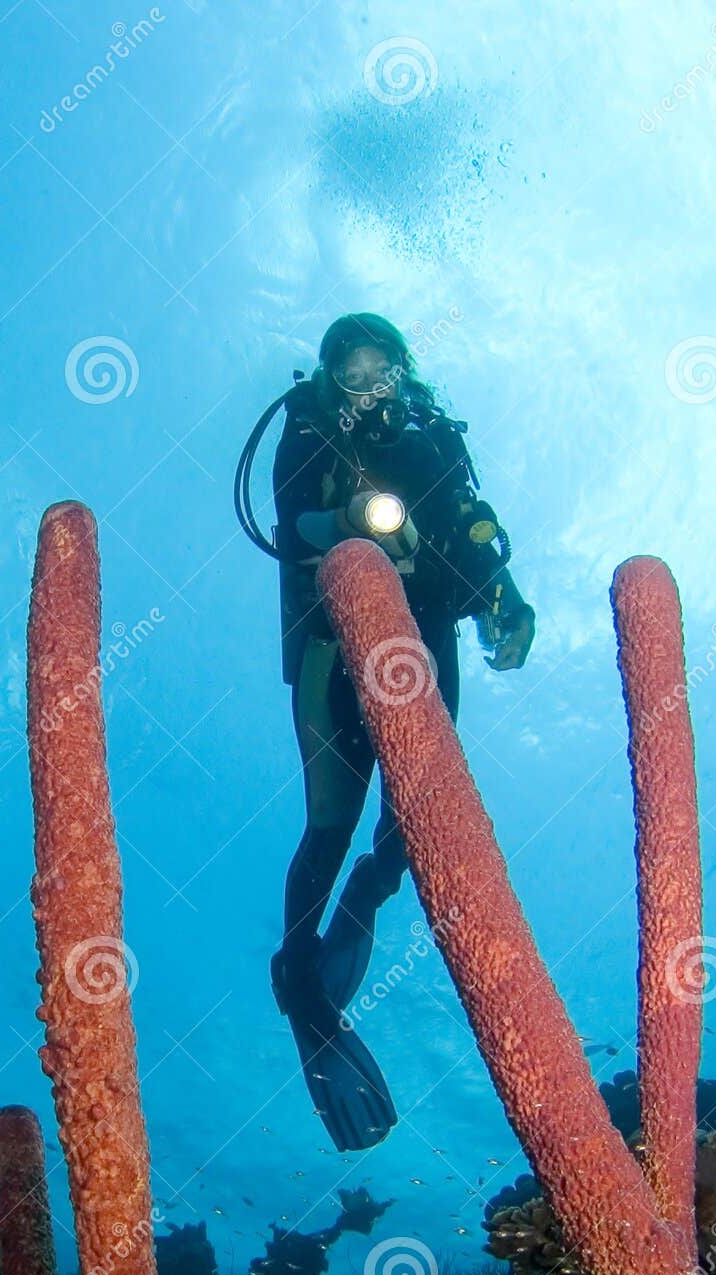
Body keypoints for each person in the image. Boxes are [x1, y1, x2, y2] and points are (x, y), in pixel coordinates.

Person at [234, 313, 534, 1150]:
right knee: (330, 826)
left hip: (426, 642)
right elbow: (289, 524)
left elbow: (473, 532)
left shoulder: (435, 438)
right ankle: (298, 976)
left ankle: (366, 899)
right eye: (354, 375)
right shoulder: (309, 426)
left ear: (405, 372)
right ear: (333, 379)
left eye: (385, 372)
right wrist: (357, 522)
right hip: (338, 644)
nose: (372, 390)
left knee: (411, 831)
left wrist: (508, 602)